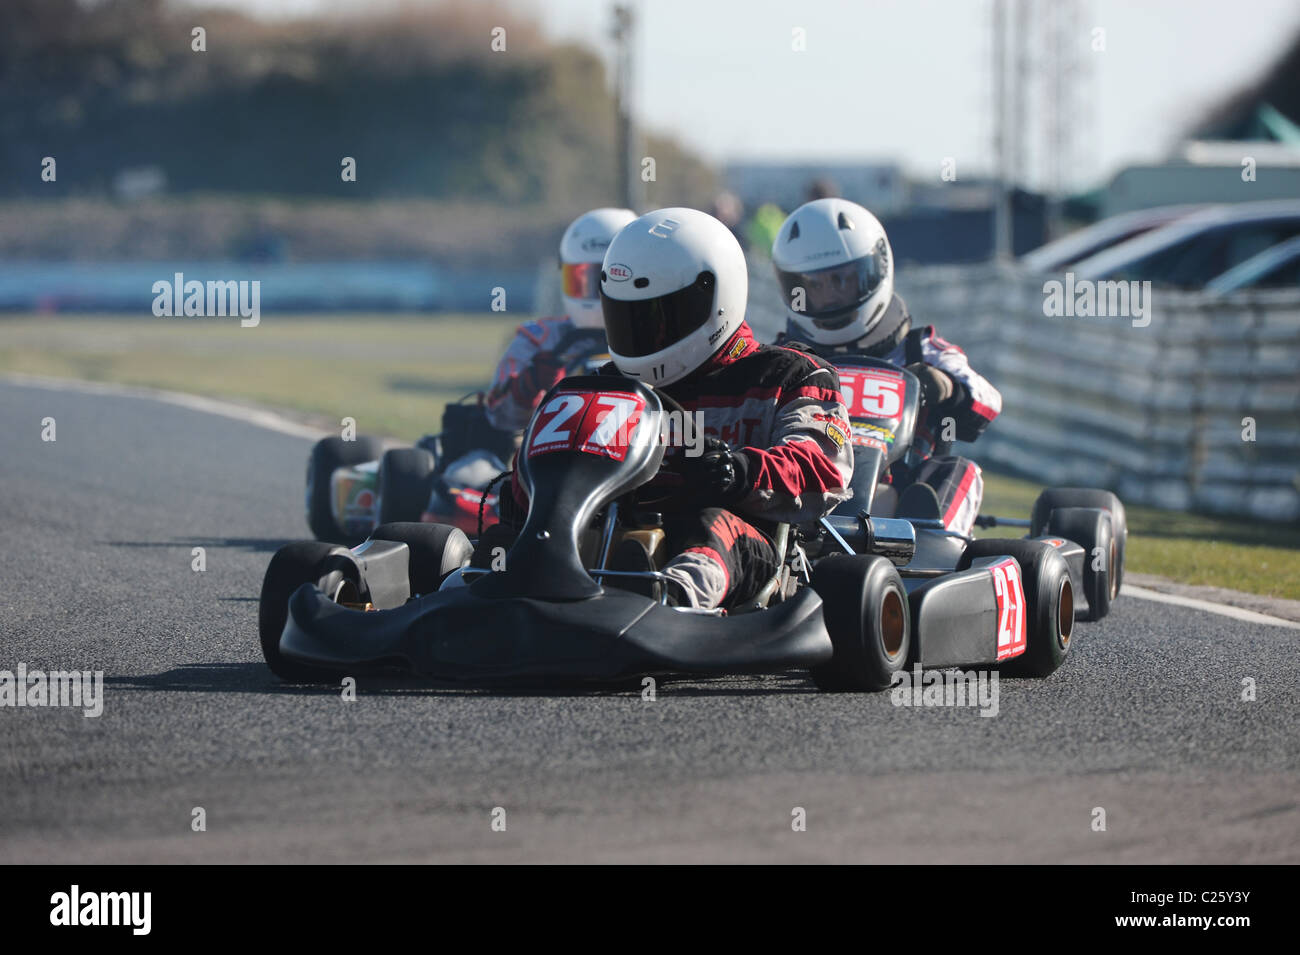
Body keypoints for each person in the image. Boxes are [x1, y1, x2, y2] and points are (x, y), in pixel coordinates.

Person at [505, 208, 854, 610]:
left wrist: (740, 472)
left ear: (714, 298)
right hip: (609, 532)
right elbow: (531, 483)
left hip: (740, 543)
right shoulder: (608, 387)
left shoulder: (788, 375)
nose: (643, 335)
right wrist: (536, 480)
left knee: (710, 526)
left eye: (659, 318)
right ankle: (489, 583)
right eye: (630, 318)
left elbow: (822, 470)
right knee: (526, 531)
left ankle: (667, 598)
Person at [771, 198, 1001, 536]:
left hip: (901, 493)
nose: (830, 296)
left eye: (841, 280)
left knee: (957, 470)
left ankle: (930, 548)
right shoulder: (784, 357)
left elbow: (989, 400)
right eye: (814, 286)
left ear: (874, 271)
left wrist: (946, 387)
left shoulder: (918, 347)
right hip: (805, 490)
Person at [482, 207, 638, 435]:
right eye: (583, 279)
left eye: (607, 279)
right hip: (556, 458)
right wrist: (529, 386)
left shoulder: (655, 335)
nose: (596, 290)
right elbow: (499, 419)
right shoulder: (539, 340)